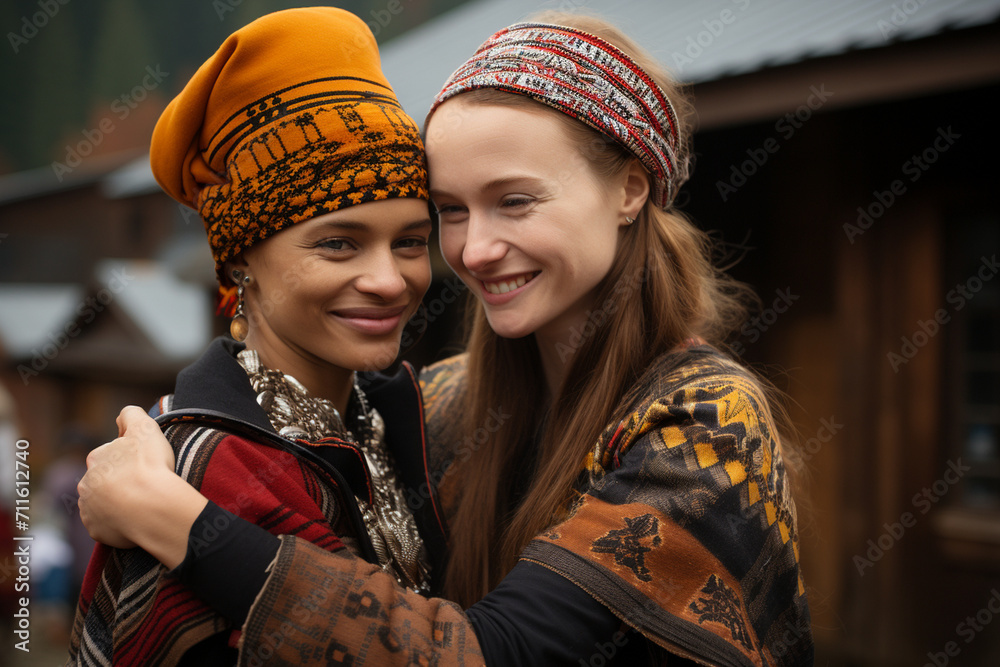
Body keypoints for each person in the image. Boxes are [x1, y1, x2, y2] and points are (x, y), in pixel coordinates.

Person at [78, 10, 814, 666]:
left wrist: (176, 520)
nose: (474, 250)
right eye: (452, 211)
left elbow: (499, 651)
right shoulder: (438, 404)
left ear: (629, 188)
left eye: (514, 201)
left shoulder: (707, 420)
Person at [66, 7, 446, 666]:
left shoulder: (396, 414)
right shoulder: (202, 466)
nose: (390, 281)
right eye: (338, 243)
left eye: (411, 242)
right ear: (241, 260)